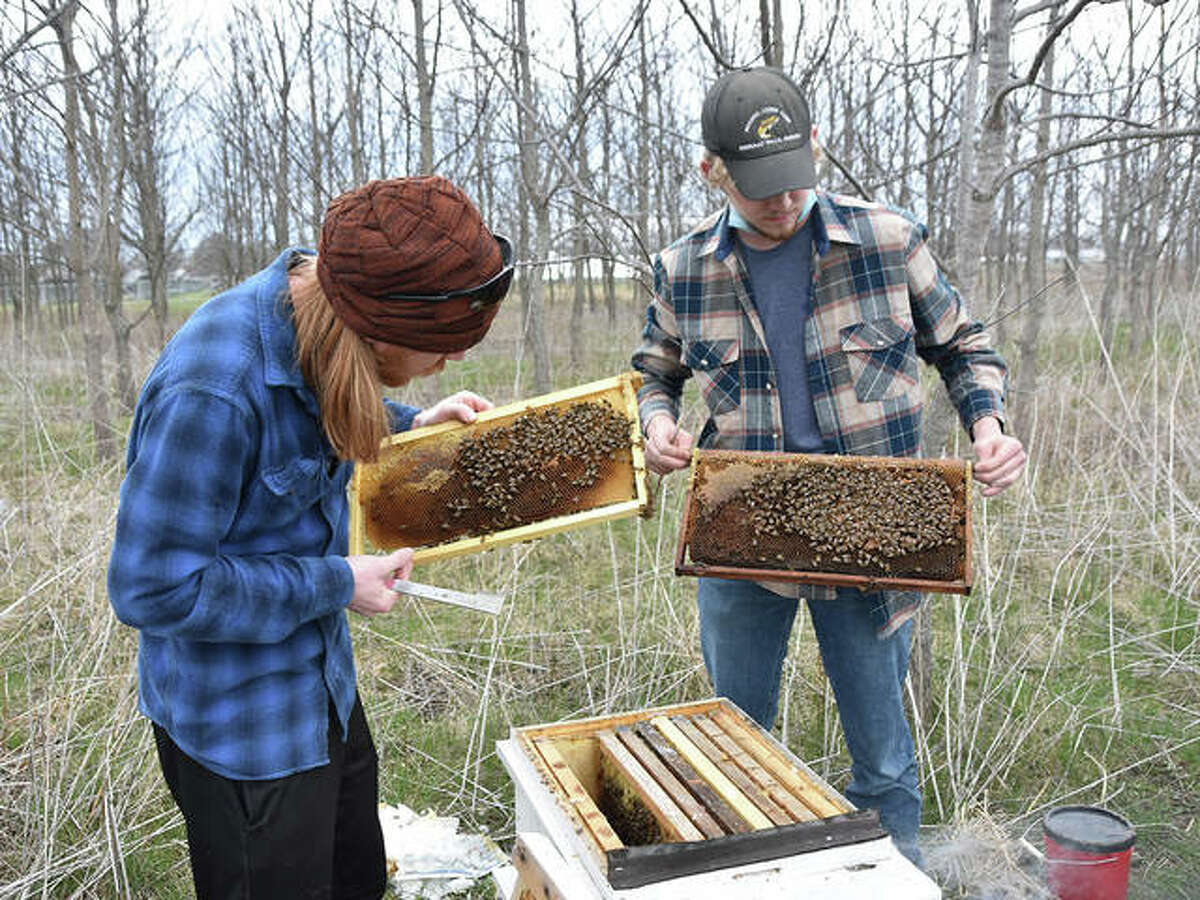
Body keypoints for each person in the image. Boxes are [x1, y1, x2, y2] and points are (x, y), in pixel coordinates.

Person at [631, 67, 1026, 865]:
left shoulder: (886, 239)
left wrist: (988, 425)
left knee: (881, 757)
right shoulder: (684, 268)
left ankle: (895, 876)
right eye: (758, 191)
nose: (781, 204)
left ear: (816, 147)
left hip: (874, 533)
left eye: (792, 183)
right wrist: (659, 423)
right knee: (734, 745)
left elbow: (962, 345)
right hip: (742, 538)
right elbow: (654, 371)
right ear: (712, 172)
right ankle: (745, 876)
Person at [107, 175, 514, 899]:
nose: (450, 362)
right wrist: (336, 582)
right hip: (243, 734)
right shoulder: (214, 389)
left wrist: (410, 421)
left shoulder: (323, 316)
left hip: (321, 689)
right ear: (373, 328)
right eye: (435, 349)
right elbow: (153, 587)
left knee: (356, 879)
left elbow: (321, 399)